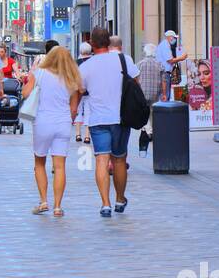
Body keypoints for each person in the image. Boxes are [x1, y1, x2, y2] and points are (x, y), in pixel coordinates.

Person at [80, 27, 139, 218]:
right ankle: (120, 199)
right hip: (120, 118)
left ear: (92, 44)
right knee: (120, 160)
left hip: (97, 120)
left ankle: (105, 204)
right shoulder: (124, 59)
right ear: (108, 42)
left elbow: (80, 90)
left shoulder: (85, 67)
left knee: (101, 160)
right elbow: (136, 83)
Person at [19, 46, 82, 217]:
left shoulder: (39, 73)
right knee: (60, 166)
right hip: (63, 122)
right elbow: (74, 109)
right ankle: (58, 207)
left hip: (43, 121)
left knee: (39, 163)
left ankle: (43, 201)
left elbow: (25, 93)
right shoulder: (72, 78)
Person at [136, 43, 161, 156]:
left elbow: (135, 78)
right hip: (155, 92)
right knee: (152, 112)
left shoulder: (140, 64)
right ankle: (152, 131)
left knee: (144, 113)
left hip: (143, 92)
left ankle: (147, 131)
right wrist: (164, 92)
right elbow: (164, 79)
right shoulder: (159, 64)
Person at [154, 29, 189, 102]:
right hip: (165, 73)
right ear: (170, 37)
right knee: (166, 95)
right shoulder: (165, 45)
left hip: (165, 73)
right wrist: (181, 58)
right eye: (174, 38)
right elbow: (169, 60)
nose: (175, 39)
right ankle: (165, 111)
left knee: (166, 94)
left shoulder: (164, 45)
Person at [74, 41, 93, 145]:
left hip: (78, 91)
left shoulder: (76, 62)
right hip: (90, 91)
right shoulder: (93, 61)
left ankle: (77, 134)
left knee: (78, 111)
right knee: (89, 113)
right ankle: (87, 136)